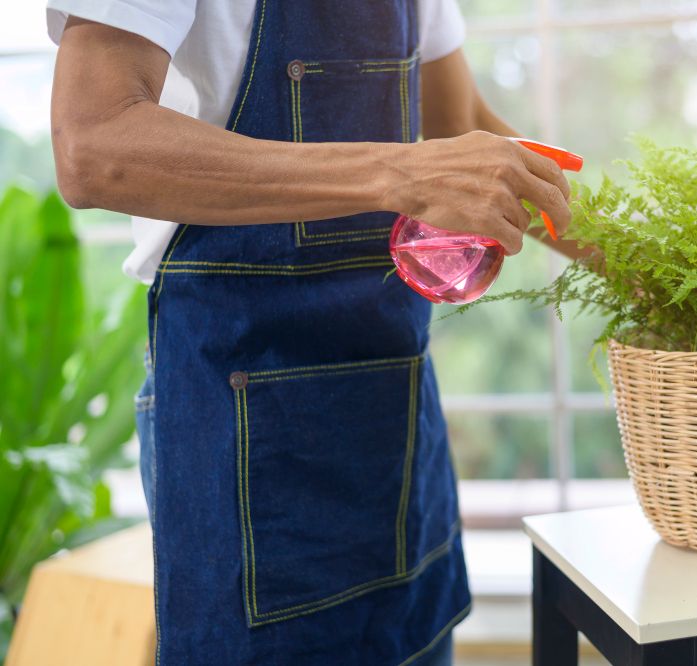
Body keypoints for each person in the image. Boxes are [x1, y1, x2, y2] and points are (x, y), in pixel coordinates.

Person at [46, 0, 582, 663]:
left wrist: (646, 260)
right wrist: (394, 173)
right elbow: (93, 145)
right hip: (244, 421)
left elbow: (461, 120)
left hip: (394, 418)